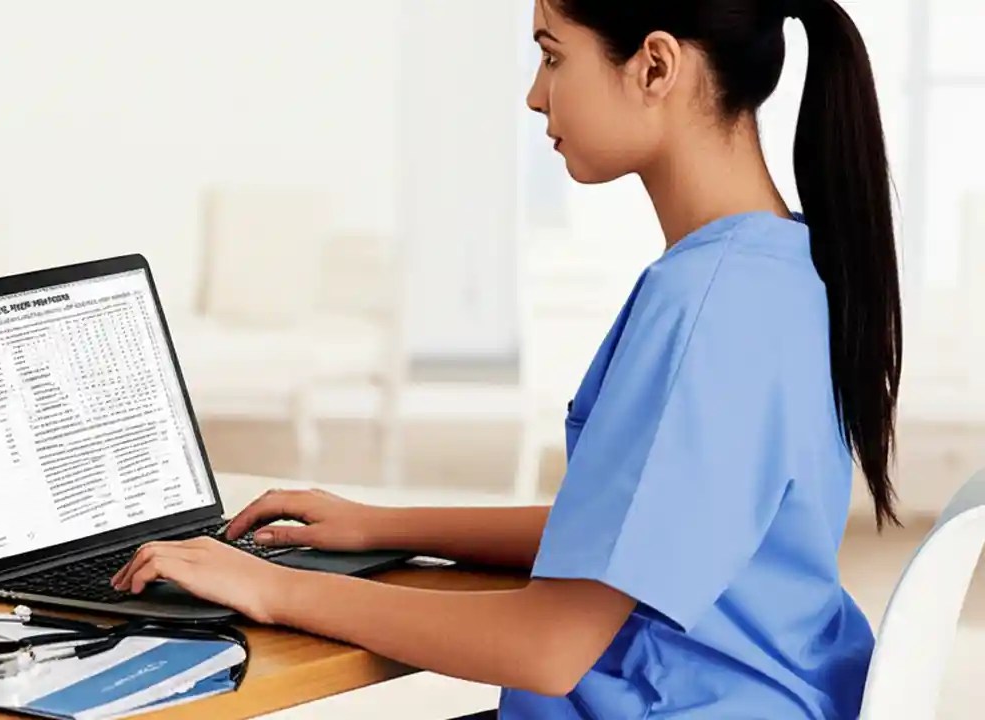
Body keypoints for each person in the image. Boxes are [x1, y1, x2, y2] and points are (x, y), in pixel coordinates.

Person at [110, 0, 902, 716]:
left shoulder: (703, 307)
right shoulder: (781, 265)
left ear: (655, 67)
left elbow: (548, 647)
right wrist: (384, 526)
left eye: (553, 56)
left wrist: (272, 588)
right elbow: (635, 531)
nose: (534, 94)